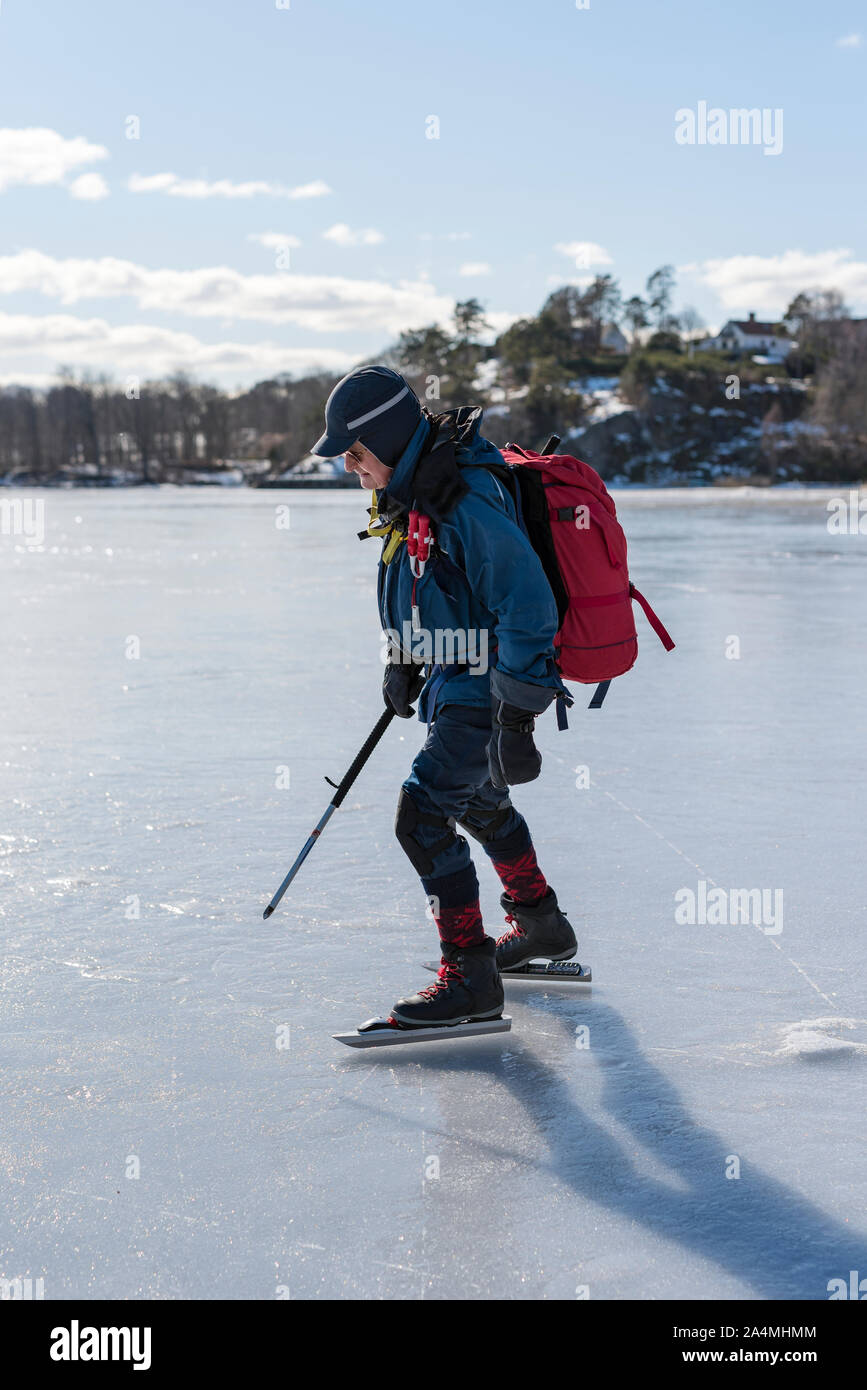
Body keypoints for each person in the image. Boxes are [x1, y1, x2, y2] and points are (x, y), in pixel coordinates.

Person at [311, 365, 582, 1029]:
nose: (349, 466)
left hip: (486, 686)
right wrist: (403, 659)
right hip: (452, 679)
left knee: (422, 817)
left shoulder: (460, 496)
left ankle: (469, 977)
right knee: (482, 804)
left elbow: (526, 604)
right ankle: (541, 926)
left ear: (388, 440)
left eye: (354, 452)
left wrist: (516, 717)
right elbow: (418, 588)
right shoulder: (412, 492)